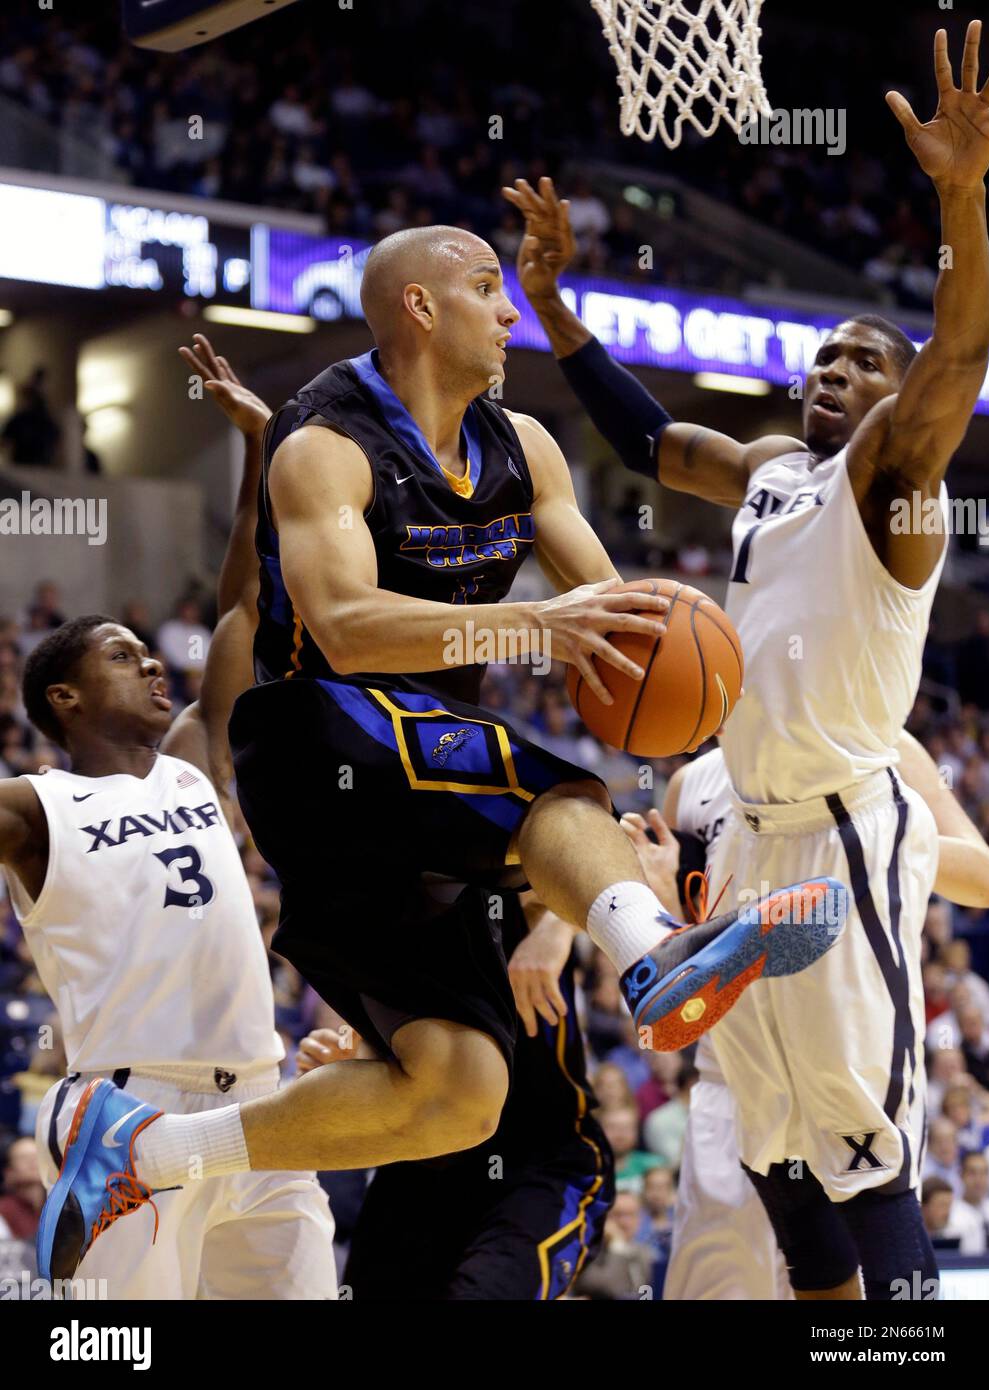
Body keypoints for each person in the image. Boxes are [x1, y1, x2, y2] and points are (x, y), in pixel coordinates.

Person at [38, 223, 842, 1281]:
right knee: (558, 788)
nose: (508, 312)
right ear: (419, 307)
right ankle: (651, 955)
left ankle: (147, 1151)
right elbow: (341, 625)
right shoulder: (324, 438)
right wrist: (536, 628)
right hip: (315, 733)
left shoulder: (527, 449)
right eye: (485, 287)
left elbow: (616, 617)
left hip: (422, 795)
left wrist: (664, 673)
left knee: (458, 1091)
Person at [507, 21, 989, 1300]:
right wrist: (550, 309)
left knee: (857, 1142)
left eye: (860, 362)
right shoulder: (770, 470)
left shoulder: (890, 481)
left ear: (892, 402)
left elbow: (957, 356)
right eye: (822, 359)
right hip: (742, 832)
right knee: (772, 1141)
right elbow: (655, 439)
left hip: (840, 826)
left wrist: (957, 195)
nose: (835, 372)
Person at [0, 337, 337, 1298]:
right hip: (129, 1114)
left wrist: (260, 456)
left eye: (149, 652)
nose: (153, 663)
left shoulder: (193, 765)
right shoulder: (37, 807)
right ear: (63, 699)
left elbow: (240, 610)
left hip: (265, 1116)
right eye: (121, 655)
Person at [628, 729, 989, 1299]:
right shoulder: (692, 782)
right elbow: (685, 948)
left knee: (869, 1241)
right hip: (731, 1072)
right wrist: (658, 903)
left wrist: (878, 832)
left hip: (849, 1048)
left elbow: (986, 877)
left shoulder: (877, 747)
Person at [302, 890, 614, 1301]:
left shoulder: (504, 880)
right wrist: (347, 1066)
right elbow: (381, 1053)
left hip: (542, 1160)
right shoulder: (374, 915)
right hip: (421, 1167)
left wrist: (560, 928)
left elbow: (618, 847)